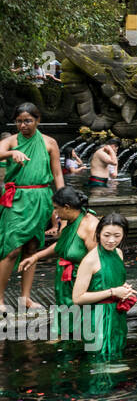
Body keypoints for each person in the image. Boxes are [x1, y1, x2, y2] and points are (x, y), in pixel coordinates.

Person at [0, 103, 63, 316]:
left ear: (37, 120)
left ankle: (25, 298)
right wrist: (12, 154)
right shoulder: (11, 141)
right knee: (12, 249)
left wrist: (62, 199)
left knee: (31, 248)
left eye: (27, 120)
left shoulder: (49, 142)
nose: (23, 125)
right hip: (17, 198)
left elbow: (57, 174)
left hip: (42, 198)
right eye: (19, 121)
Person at [17, 186, 98, 314]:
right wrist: (35, 257)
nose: (54, 212)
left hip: (82, 286)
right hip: (67, 284)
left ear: (66, 207)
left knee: (82, 327)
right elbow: (63, 244)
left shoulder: (90, 226)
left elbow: (98, 262)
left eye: (56, 208)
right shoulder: (73, 220)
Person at [71, 213, 137, 361]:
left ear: (124, 235)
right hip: (97, 317)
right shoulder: (90, 261)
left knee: (116, 355)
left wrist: (123, 288)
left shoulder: (118, 253)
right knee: (99, 361)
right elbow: (77, 298)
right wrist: (113, 291)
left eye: (117, 236)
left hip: (117, 315)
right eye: (106, 235)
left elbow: (111, 280)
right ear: (98, 233)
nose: (111, 240)